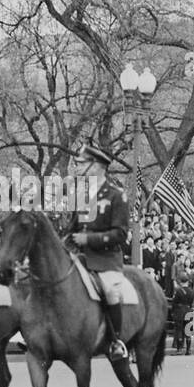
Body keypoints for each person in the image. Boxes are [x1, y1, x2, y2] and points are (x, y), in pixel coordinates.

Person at [66, 142, 131, 361]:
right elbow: (72, 230)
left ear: (97, 166)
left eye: (81, 163)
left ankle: (116, 340)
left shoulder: (116, 195)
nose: (77, 167)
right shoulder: (80, 194)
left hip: (106, 259)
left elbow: (120, 234)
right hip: (81, 257)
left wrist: (89, 239)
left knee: (110, 290)